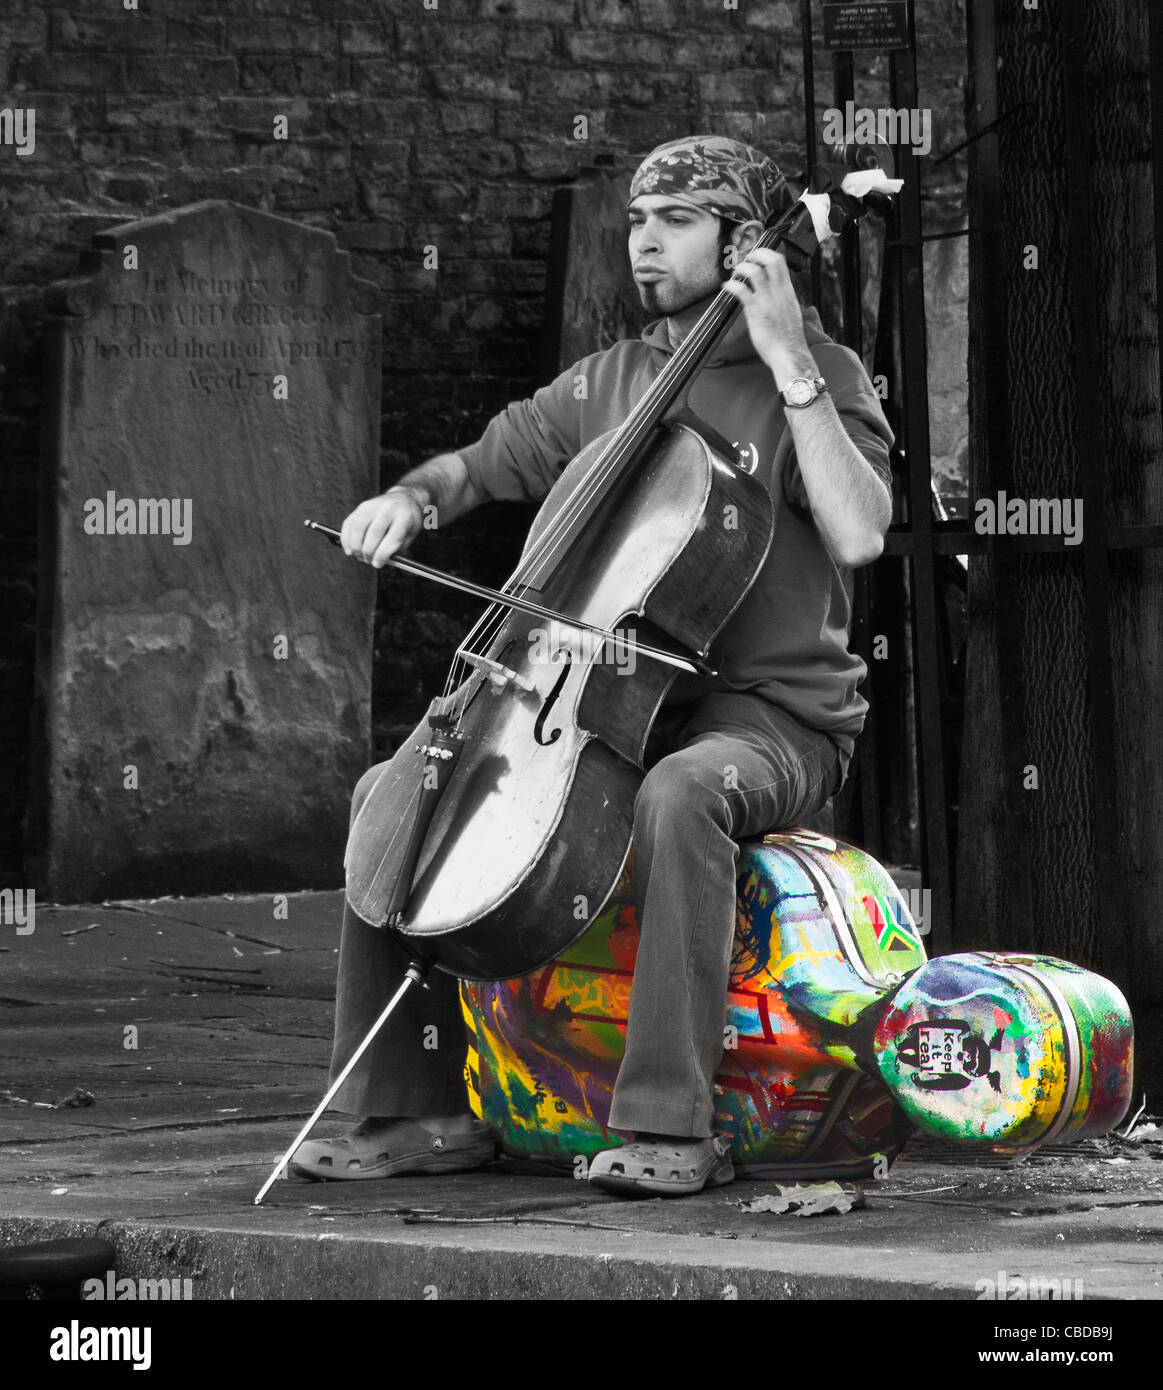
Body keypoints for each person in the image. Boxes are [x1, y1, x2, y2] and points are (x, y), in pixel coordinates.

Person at [292, 134, 894, 1198]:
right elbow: (476, 466)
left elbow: (858, 533)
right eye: (635, 222)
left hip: (770, 721)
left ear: (745, 242)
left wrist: (791, 360)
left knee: (679, 793)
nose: (645, 244)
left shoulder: (821, 380)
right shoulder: (608, 382)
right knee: (394, 789)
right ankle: (402, 1108)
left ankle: (669, 1120)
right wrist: (409, 500)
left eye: (676, 222)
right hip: (599, 700)